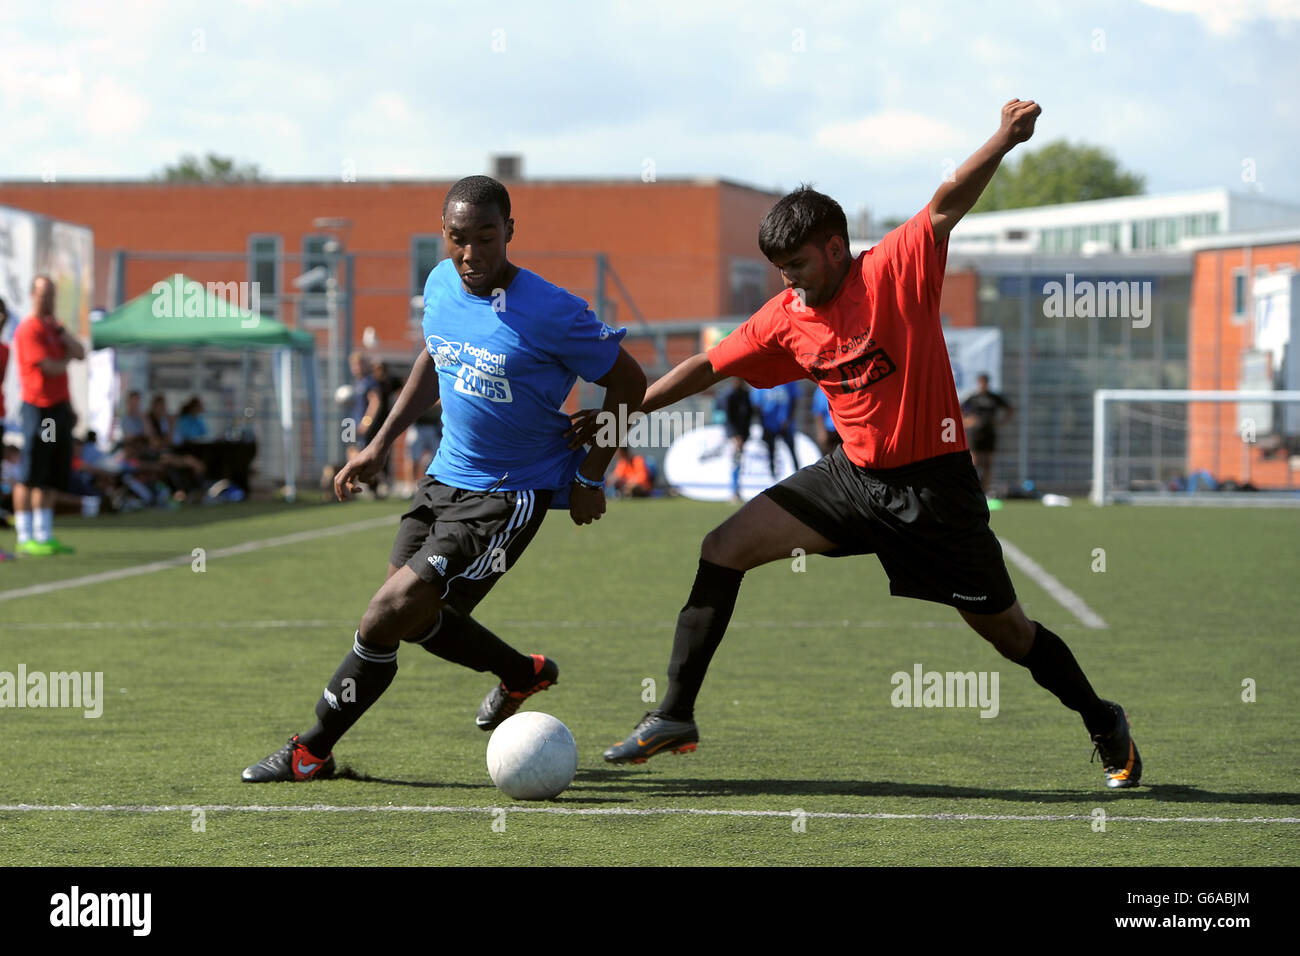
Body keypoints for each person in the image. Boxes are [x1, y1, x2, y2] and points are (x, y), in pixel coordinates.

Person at [593, 100, 1141, 789]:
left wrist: (1002, 139)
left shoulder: (895, 270)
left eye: (797, 263)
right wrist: (631, 406)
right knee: (721, 548)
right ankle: (674, 715)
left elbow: (945, 204)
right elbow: (711, 365)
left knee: (1011, 635)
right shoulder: (789, 314)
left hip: (937, 493)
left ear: (834, 246)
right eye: (778, 269)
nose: (788, 280)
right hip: (852, 481)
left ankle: (1101, 717)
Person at [241, 175, 647, 783]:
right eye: (458, 239)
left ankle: (310, 751)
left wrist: (591, 475)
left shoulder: (553, 310)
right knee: (411, 621)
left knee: (386, 615)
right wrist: (379, 444)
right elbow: (434, 358)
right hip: (442, 479)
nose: (471, 254)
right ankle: (521, 672)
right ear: (444, 236)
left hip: (508, 493)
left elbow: (629, 382)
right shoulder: (439, 284)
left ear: (509, 231)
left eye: (486, 237)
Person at [12, 275, 86, 556]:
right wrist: (67, 357)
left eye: (52, 294)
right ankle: (24, 533)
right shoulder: (29, 329)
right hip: (40, 410)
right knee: (33, 469)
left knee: (53, 469)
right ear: (33, 295)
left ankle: (44, 533)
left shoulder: (55, 329)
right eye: (43, 294)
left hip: (57, 410)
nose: (48, 300)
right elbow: (51, 367)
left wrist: (63, 335)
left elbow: (81, 351)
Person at [961, 373, 1013, 494]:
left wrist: (1001, 422)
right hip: (975, 434)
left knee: (988, 464)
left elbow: (1010, 409)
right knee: (974, 463)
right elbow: (959, 409)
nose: (983, 385)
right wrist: (967, 421)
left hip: (989, 433)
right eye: (981, 382)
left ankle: (985, 491)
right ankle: (972, 490)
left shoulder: (994, 398)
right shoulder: (973, 398)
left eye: (985, 382)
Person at [753, 381, 801, 477]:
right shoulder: (761, 380)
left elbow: (794, 400)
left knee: (792, 450)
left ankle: (798, 473)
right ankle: (772, 475)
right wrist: (763, 424)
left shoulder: (789, 381)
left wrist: (789, 419)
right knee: (771, 451)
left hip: (785, 424)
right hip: (769, 424)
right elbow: (757, 406)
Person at [718, 379, 753, 503]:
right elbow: (728, 418)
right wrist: (735, 436)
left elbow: (748, 415)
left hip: (743, 435)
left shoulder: (745, 394)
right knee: (735, 462)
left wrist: (745, 434)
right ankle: (734, 492)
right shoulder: (729, 396)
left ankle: (737, 491)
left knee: (739, 462)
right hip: (734, 436)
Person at [811, 385, 840, 455]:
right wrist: (821, 432)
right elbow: (818, 412)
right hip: (831, 431)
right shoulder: (822, 389)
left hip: (844, 431)